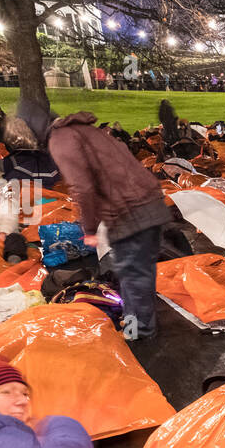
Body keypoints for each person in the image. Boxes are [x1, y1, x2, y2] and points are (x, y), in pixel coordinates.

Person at [47, 110, 173, 340]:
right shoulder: (94, 133)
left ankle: (138, 330)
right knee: (141, 271)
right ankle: (139, 320)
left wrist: (90, 229)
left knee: (131, 274)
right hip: (151, 202)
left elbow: (84, 188)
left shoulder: (62, 139)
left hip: (128, 211)